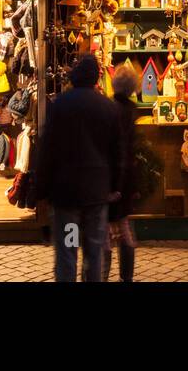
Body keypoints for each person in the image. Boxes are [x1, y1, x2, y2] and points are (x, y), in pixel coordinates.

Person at [36, 55, 124, 282]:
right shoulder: (107, 107)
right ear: (96, 78)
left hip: (68, 197)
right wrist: (114, 187)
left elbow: (48, 148)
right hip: (96, 195)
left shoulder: (62, 105)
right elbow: (117, 153)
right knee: (94, 251)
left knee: (68, 248)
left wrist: (41, 188)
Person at [104, 65, 140, 282]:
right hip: (125, 176)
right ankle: (126, 277)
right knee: (124, 227)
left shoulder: (109, 109)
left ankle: (103, 276)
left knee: (108, 231)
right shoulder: (131, 109)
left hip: (113, 177)